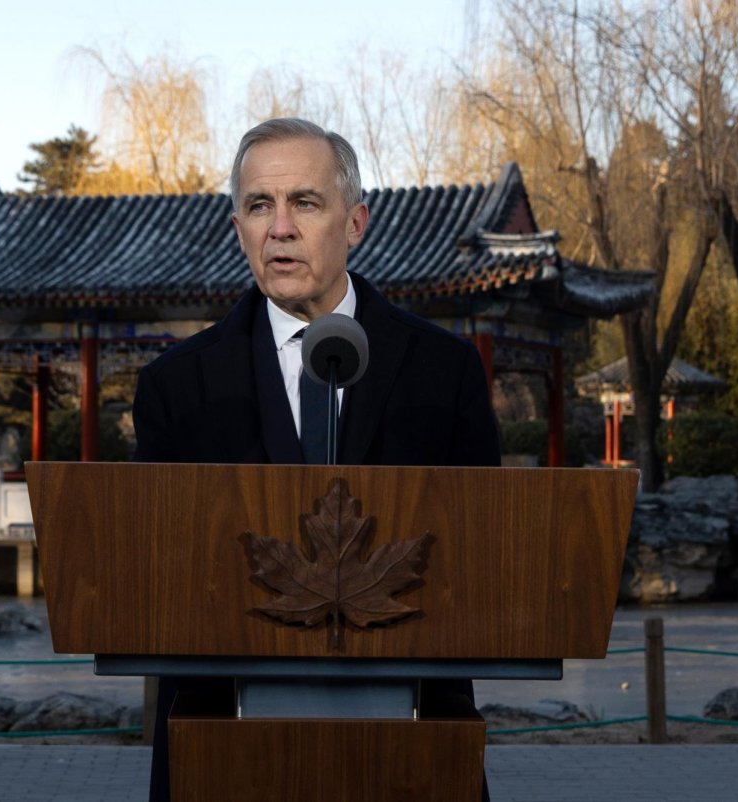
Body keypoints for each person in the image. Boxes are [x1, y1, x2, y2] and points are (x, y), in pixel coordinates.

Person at [132, 117, 501, 801]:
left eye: (304, 202)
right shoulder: (178, 387)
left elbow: (482, 555)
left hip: (411, 744)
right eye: (258, 206)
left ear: (355, 222)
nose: (280, 229)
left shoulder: (443, 370)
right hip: (223, 748)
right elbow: (151, 572)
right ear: (238, 227)